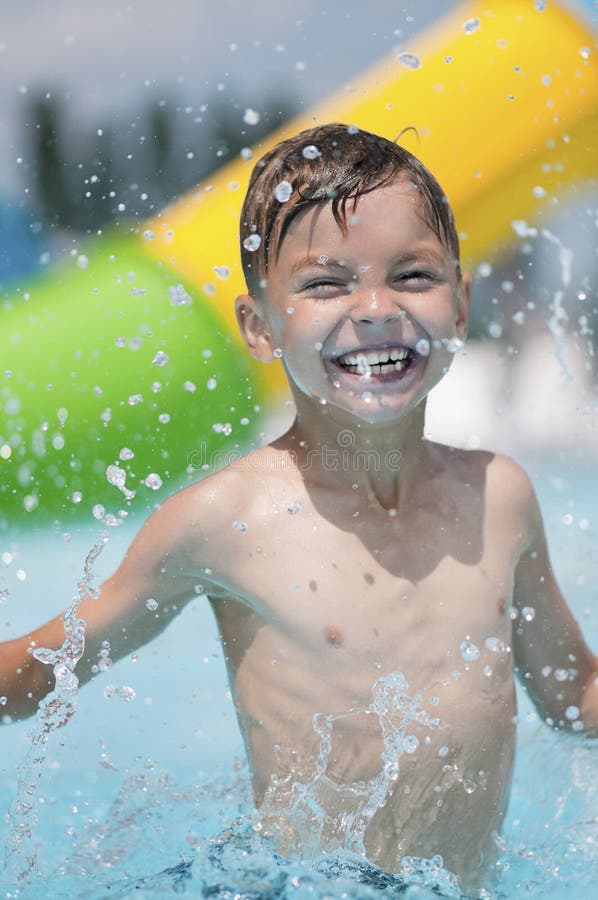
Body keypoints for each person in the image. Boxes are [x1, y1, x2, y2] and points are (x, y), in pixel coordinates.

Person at [1, 124, 596, 897]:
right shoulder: (223, 521)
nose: (377, 308)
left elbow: (570, 691)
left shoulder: (499, 496)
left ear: (460, 303)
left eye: (414, 275)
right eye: (325, 283)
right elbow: (50, 665)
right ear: (258, 326)